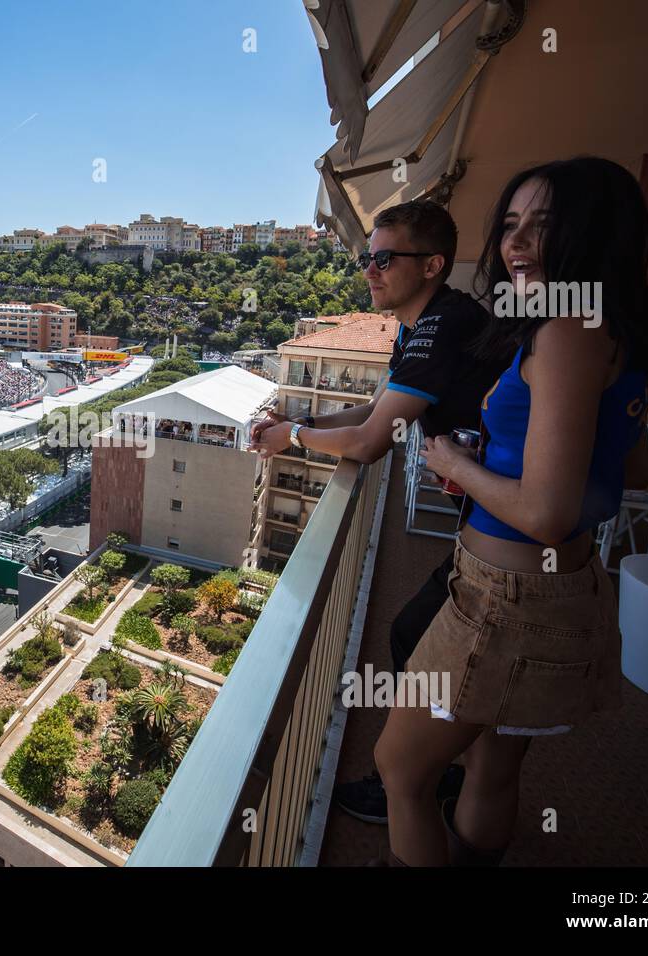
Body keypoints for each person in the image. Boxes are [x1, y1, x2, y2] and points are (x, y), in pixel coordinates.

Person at [374, 157, 648, 866]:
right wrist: (505, 469)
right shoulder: (618, 331)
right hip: (564, 587)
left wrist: (458, 467)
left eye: (544, 226)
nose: (516, 244)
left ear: (596, 235)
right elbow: (632, 471)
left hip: (507, 600)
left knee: (400, 767)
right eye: (510, 226)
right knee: (493, 765)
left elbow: (543, 511)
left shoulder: (567, 329)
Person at [250, 199, 512, 823]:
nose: (369, 268)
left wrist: (291, 439)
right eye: (367, 256)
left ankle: (424, 768)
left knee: (412, 634)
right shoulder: (428, 323)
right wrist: (302, 422)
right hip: (492, 518)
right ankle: (458, 764)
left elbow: (369, 445)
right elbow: (374, 412)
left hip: (506, 528)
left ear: (433, 266)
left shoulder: (441, 328)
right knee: (420, 638)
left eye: (384, 258)